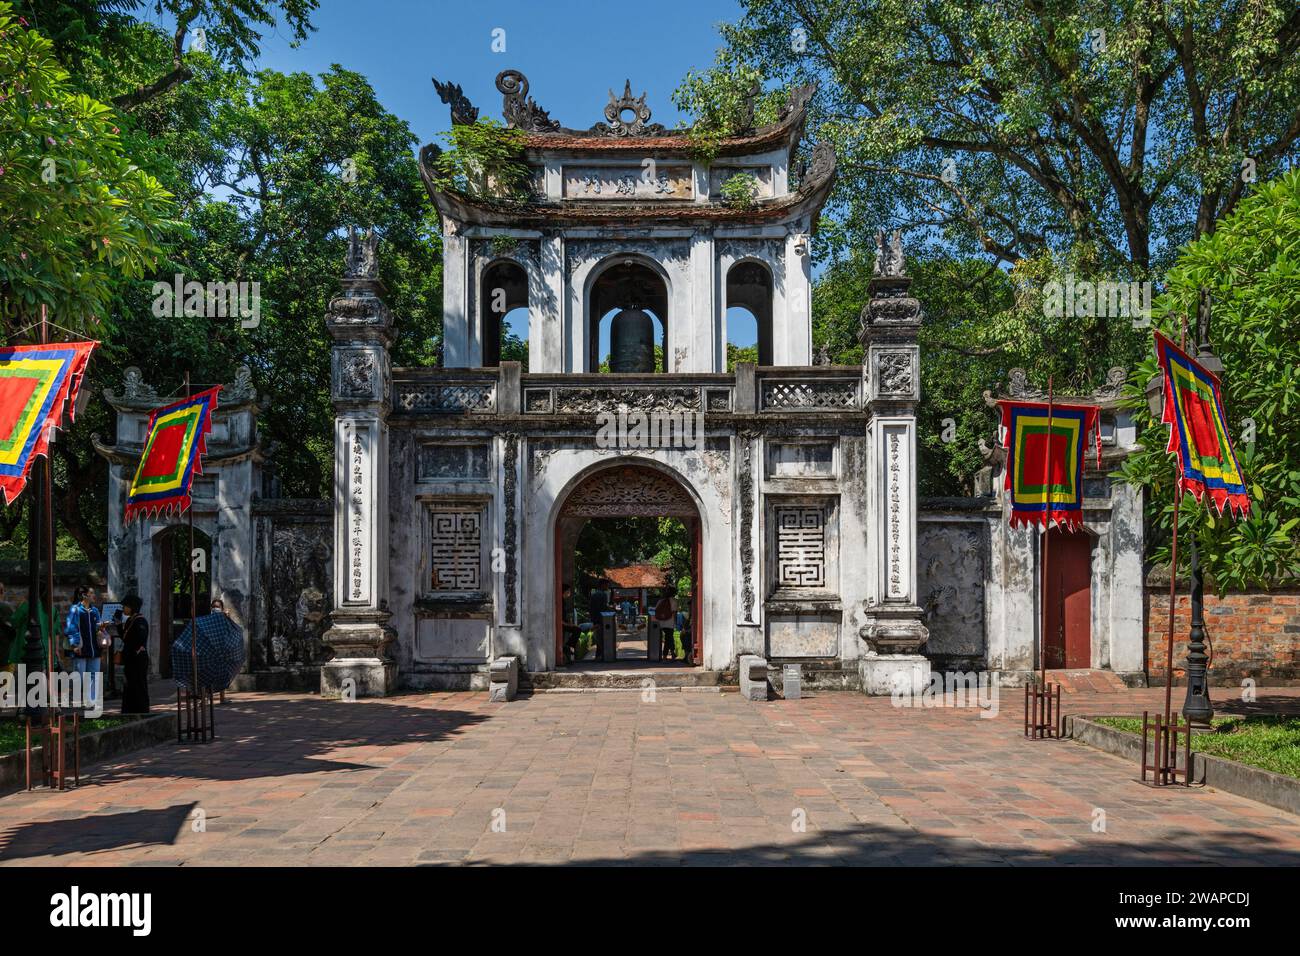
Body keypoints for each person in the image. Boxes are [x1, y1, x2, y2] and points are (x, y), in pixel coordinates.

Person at [64, 586, 106, 709]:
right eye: (92, 593)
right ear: (84, 595)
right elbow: (71, 628)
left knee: (93, 676)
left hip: (94, 648)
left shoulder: (95, 611)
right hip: (81, 648)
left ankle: (90, 702)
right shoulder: (75, 610)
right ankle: (75, 699)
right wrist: (75, 644)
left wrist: (102, 628)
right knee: (80, 676)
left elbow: (98, 628)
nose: (94, 596)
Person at [119, 593, 150, 714]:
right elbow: (125, 638)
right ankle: (128, 710)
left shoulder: (140, 621)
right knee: (129, 686)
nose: (123, 609)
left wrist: (132, 648)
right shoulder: (129, 621)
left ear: (132, 607)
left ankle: (142, 710)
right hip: (130, 659)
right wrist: (118, 625)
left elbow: (139, 639)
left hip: (137, 659)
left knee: (139, 685)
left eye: (125, 606)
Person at [588, 579, 610, 662]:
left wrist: (593, 619)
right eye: (607, 585)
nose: (608, 587)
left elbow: (591, 608)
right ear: (602, 585)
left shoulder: (593, 594)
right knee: (602, 637)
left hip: (595, 619)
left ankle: (598, 655)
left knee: (598, 638)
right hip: (602, 619)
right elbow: (604, 607)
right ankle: (601, 655)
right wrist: (611, 609)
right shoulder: (603, 595)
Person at [655, 587, 678, 662]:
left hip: (660, 623)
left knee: (667, 639)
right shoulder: (674, 601)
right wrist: (675, 623)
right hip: (669, 622)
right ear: (674, 593)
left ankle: (668, 654)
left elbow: (656, 612)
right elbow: (674, 613)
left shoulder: (660, 601)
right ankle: (667, 655)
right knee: (669, 639)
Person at [561, 584, 581, 665]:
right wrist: (568, 625)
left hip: (565, 623)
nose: (569, 593)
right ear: (564, 592)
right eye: (568, 591)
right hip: (562, 624)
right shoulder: (560, 601)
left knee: (577, 629)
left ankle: (568, 646)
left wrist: (570, 623)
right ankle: (568, 646)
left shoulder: (563, 601)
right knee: (577, 630)